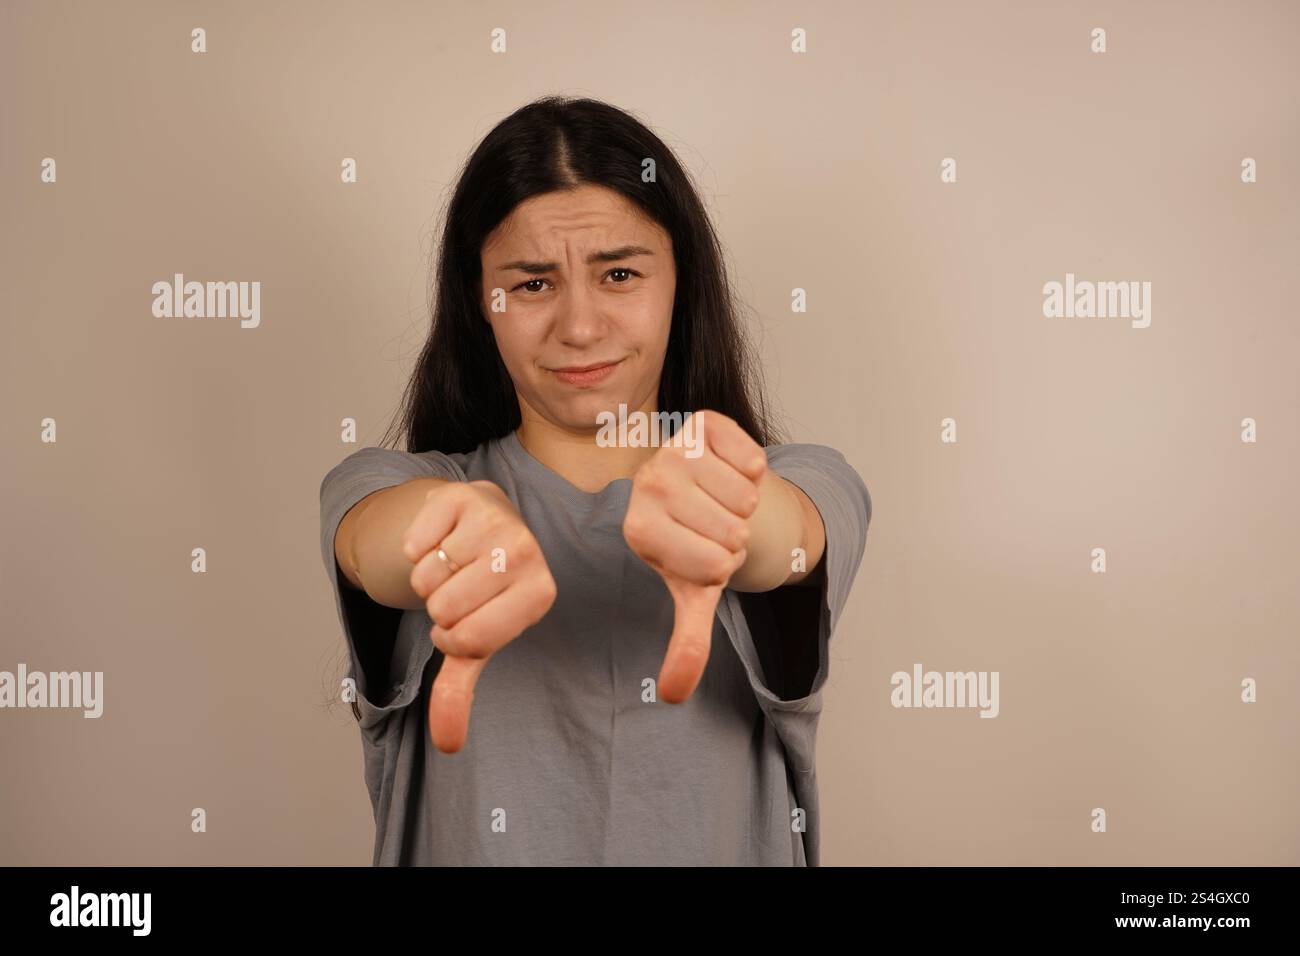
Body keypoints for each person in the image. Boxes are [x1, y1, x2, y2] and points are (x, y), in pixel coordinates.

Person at [319, 95, 871, 865]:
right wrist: (442, 538)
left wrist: (734, 518)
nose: (580, 326)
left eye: (618, 273)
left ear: (683, 282)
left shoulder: (806, 481)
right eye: (533, 283)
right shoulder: (388, 484)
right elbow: (370, 540)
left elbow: (792, 537)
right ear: (481, 299)